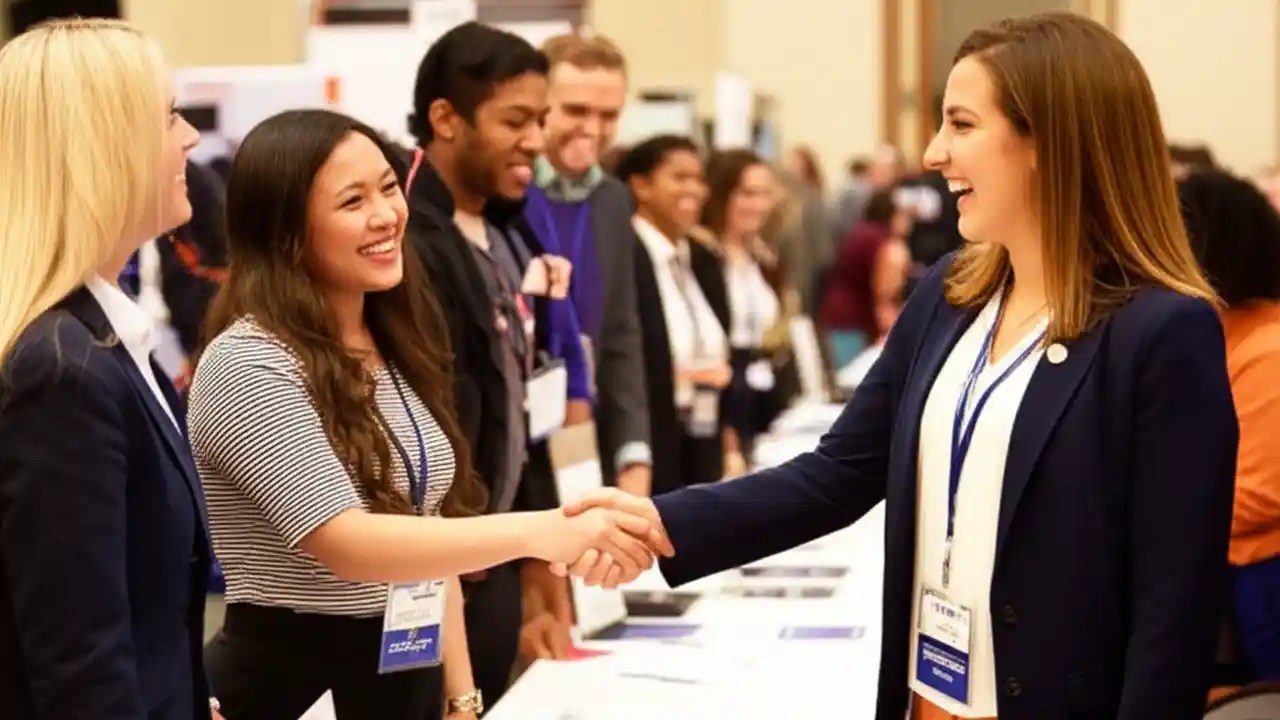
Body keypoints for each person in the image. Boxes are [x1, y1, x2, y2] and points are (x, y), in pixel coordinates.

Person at [561, 13, 1239, 720]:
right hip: (925, 700)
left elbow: (1175, 612)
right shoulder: (951, 293)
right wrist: (661, 521)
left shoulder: (1161, 332)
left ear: (1047, 139)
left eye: (962, 124)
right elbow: (837, 474)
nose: (933, 152)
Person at [188, 109, 656, 720]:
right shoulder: (249, 361)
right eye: (352, 201)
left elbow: (427, 534)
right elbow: (347, 540)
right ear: (285, 231)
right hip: (296, 684)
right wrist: (540, 530)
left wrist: (461, 697)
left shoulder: (388, 339)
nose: (386, 215)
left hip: (404, 671)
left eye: (388, 188)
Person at [0, 19, 217, 720]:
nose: (189, 139)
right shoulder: (61, 369)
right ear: (104, 146)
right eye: (168, 117)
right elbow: (81, 664)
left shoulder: (97, 342)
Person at [402, 22, 590, 706]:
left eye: (540, 119)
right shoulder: (408, 243)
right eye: (516, 120)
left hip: (503, 553)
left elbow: (527, 398)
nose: (537, 141)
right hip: (443, 570)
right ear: (446, 119)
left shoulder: (513, 228)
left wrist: (541, 558)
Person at [524, 31, 652, 497]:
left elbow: (620, 333)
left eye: (609, 115)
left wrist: (634, 450)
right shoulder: (507, 194)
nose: (593, 130)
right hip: (513, 442)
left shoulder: (612, 200)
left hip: (582, 429)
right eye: (577, 111)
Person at [1179, 168, 1280, 683]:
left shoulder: (1267, 348)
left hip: (1259, 578)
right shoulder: (1213, 330)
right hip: (1222, 568)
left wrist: (1154, 513)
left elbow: (1258, 496)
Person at [616, 135, 731, 495]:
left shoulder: (698, 255)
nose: (694, 190)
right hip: (652, 436)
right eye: (679, 178)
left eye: (699, 179)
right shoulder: (625, 254)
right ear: (641, 185)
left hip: (699, 435)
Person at [700, 149, 791, 470]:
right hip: (719, 404)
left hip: (758, 397)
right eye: (747, 194)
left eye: (765, 194)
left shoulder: (763, 257)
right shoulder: (704, 257)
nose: (758, 205)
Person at [820, 189, 912, 367]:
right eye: (904, 215)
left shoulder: (863, 232)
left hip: (839, 316)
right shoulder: (885, 244)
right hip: (850, 322)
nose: (908, 222)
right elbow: (884, 295)